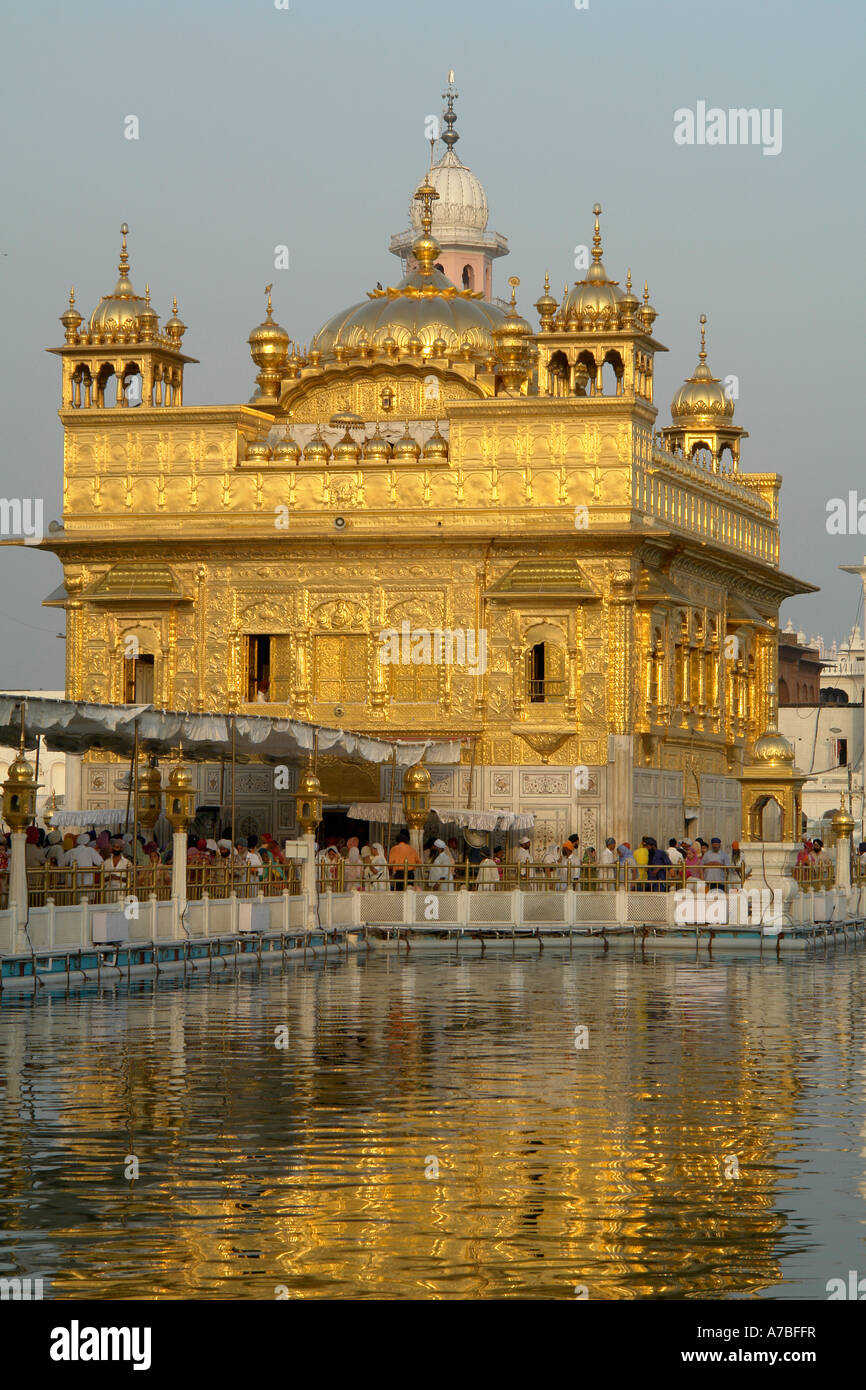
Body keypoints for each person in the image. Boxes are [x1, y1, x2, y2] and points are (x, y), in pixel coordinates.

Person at [62, 832, 105, 898]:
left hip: (73, 884)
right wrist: (95, 869)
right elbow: (101, 862)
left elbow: (61, 862)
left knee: (74, 902)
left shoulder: (72, 851)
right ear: (87, 842)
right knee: (86, 903)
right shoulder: (90, 850)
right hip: (87, 883)